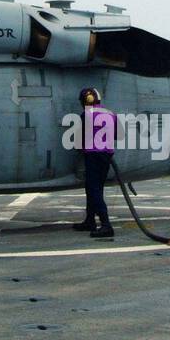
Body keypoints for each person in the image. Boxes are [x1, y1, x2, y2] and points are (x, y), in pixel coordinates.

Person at [72, 86, 116, 239]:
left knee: (93, 189)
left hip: (93, 154)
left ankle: (106, 225)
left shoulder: (86, 114)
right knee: (95, 188)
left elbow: (80, 136)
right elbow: (117, 134)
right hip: (106, 156)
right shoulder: (110, 113)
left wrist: (80, 148)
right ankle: (90, 220)